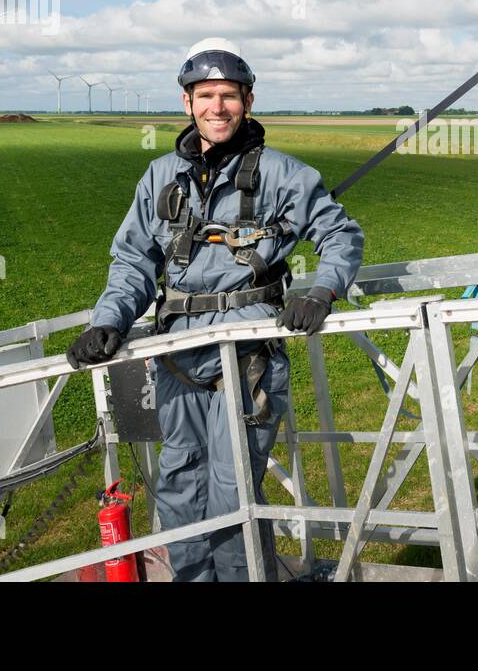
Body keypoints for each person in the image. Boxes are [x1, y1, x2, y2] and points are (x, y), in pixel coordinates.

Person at [66, 38, 364, 581]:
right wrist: (109, 320)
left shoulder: (281, 174)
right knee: (179, 489)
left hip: (244, 360)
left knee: (232, 500)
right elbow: (133, 260)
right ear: (187, 103)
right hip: (177, 359)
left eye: (228, 95)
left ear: (248, 100)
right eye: (205, 95)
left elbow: (340, 234)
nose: (217, 107)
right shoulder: (160, 178)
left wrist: (322, 291)